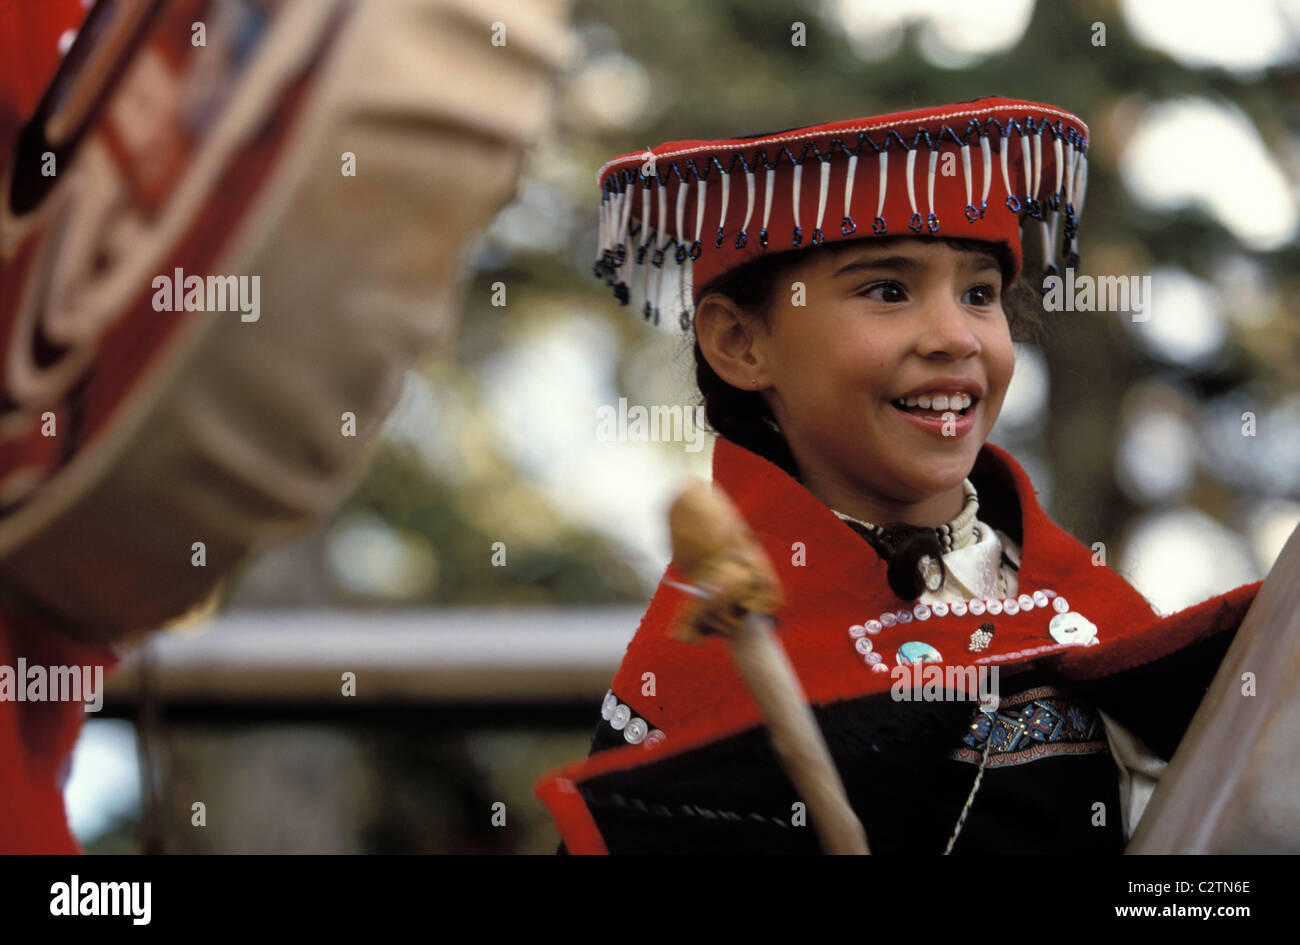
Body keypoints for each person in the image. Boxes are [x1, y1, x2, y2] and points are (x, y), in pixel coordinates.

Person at [537, 96, 1263, 854]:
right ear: (740, 341)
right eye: (887, 290)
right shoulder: (708, 669)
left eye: (980, 294)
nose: (956, 337)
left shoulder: (1089, 604)